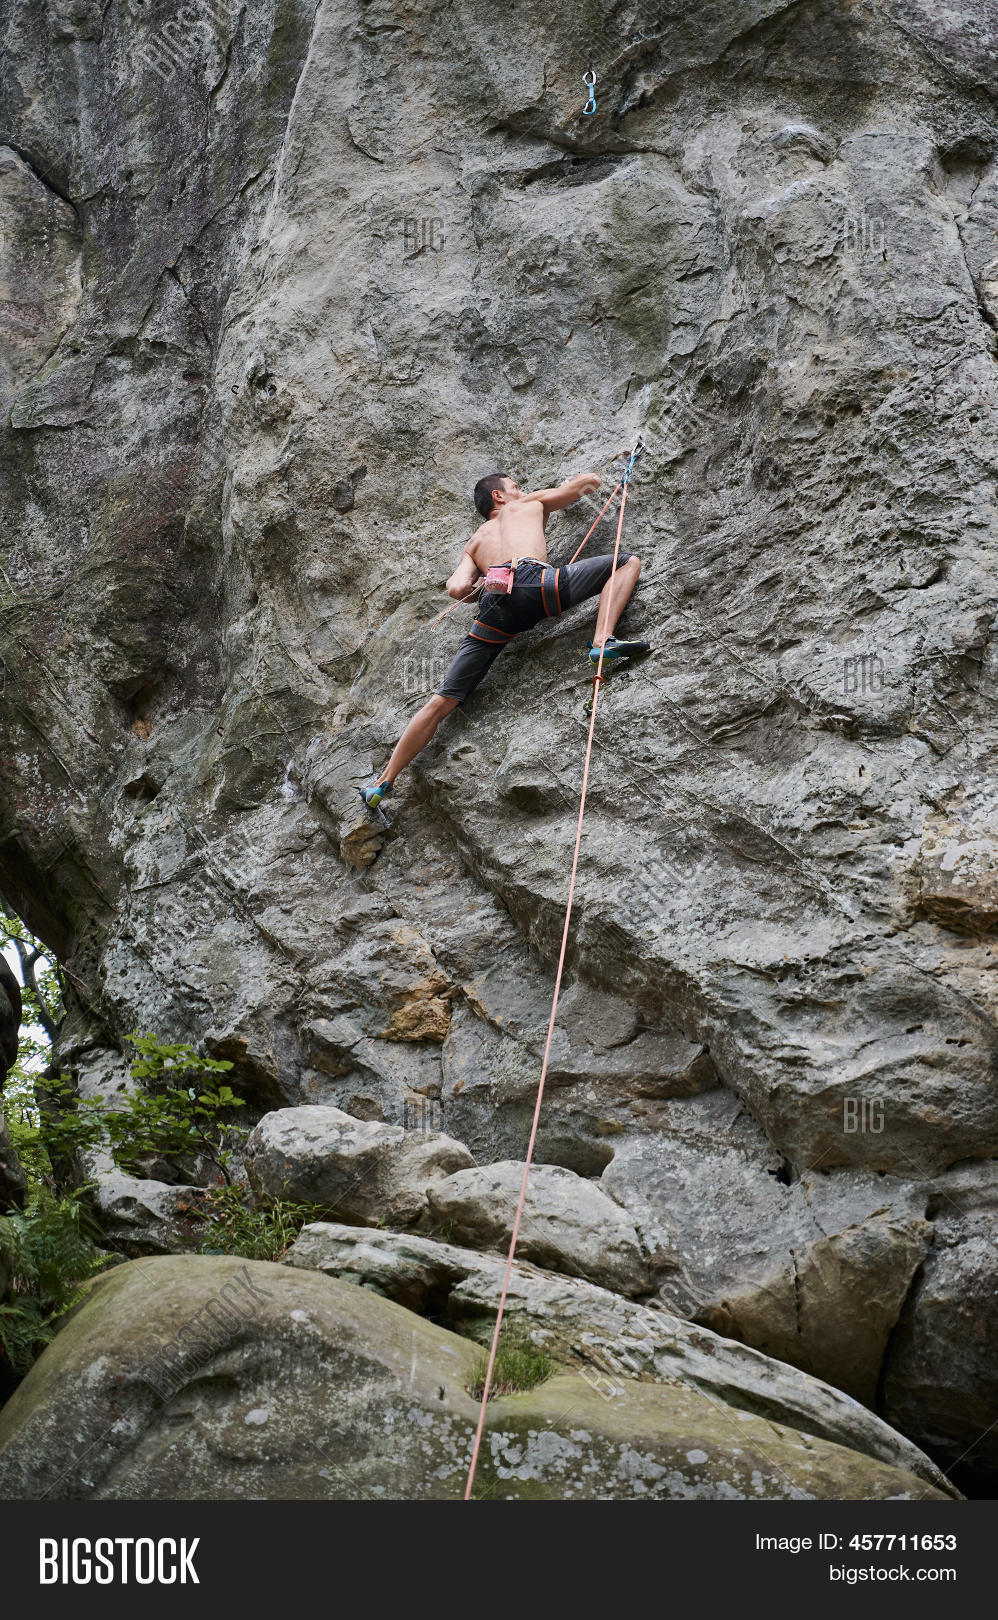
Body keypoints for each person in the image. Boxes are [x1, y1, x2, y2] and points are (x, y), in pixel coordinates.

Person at [360, 470, 649, 809]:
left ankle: (382, 782)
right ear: (500, 497)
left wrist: (486, 582)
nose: (521, 490)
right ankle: (602, 640)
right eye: (515, 486)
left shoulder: (475, 543)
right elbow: (581, 487)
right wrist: (600, 473)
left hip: (493, 609)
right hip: (533, 583)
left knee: (441, 702)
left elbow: (456, 589)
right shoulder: (526, 503)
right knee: (627, 562)